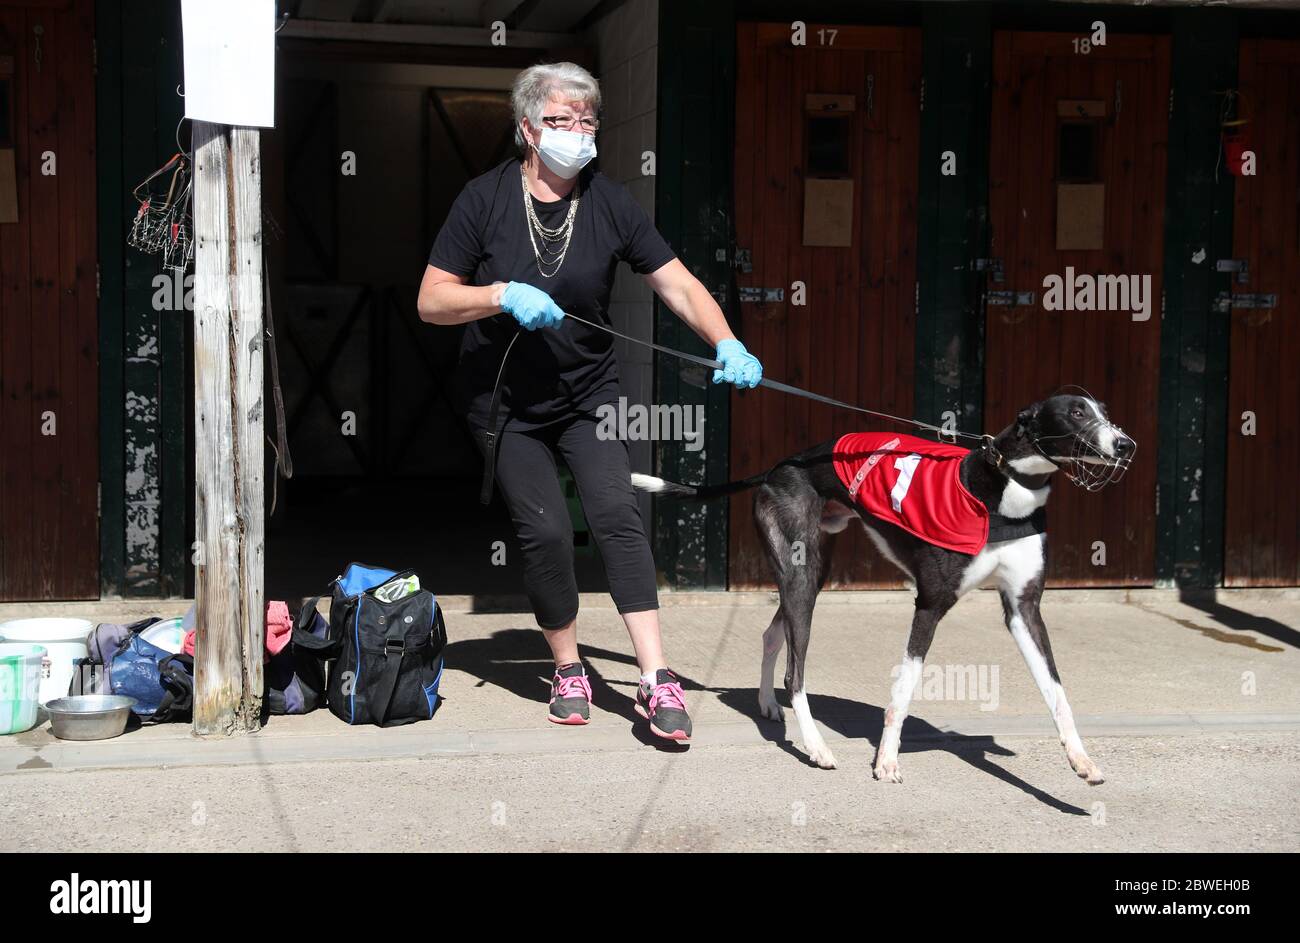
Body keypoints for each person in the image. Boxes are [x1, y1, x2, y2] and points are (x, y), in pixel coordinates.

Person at [417, 62, 762, 741]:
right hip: (504, 401)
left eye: (587, 120)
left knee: (617, 515)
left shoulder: (609, 203)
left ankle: (656, 675)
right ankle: (568, 664)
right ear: (526, 128)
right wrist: (499, 294)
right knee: (546, 532)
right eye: (560, 119)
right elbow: (431, 299)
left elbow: (679, 284)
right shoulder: (482, 200)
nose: (577, 132)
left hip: (588, 393)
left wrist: (727, 341)